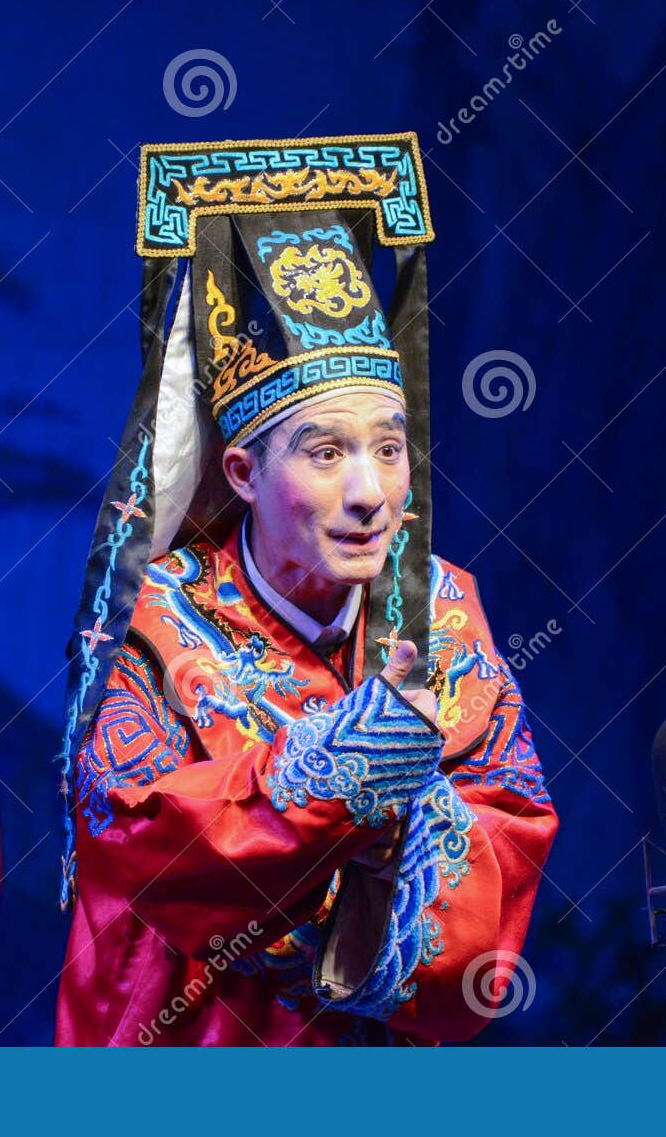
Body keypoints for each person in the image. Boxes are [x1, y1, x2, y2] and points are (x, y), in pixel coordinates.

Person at [54, 134, 558, 1045]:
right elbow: (145, 846)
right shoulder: (161, 622)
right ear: (243, 472)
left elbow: (512, 828)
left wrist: (366, 860)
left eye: (390, 448)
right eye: (326, 453)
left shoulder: (440, 607)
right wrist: (337, 773)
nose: (369, 491)